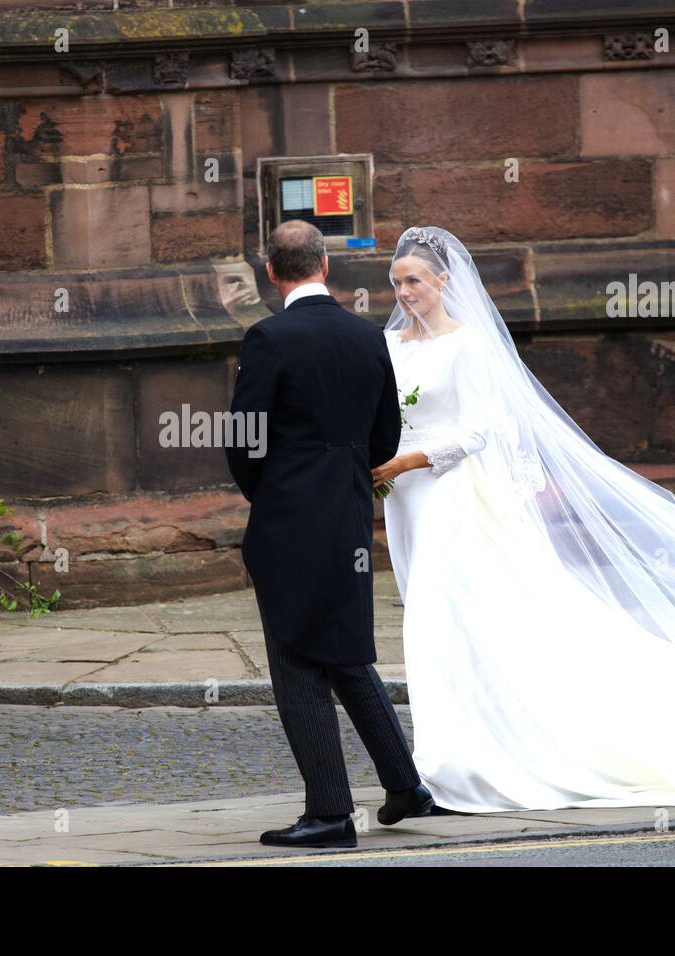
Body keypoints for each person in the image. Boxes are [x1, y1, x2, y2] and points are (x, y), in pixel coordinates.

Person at [376, 225, 675, 812]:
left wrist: (413, 458)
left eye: (414, 281)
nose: (404, 292)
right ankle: (455, 749)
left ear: (442, 281)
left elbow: (481, 430)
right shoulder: (392, 344)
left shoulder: (467, 345)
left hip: (451, 496)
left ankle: (456, 760)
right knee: (435, 619)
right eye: (396, 282)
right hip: (406, 498)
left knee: (448, 619)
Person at [226, 220, 436, 849]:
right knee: (343, 650)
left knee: (296, 659)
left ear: (272, 272)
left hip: (291, 518)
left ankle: (330, 815)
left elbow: (244, 442)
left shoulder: (267, 337)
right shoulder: (366, 335)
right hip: (347, 512)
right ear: (325, 265)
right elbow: (386, 436)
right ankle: (406, 787)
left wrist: (276, 494)